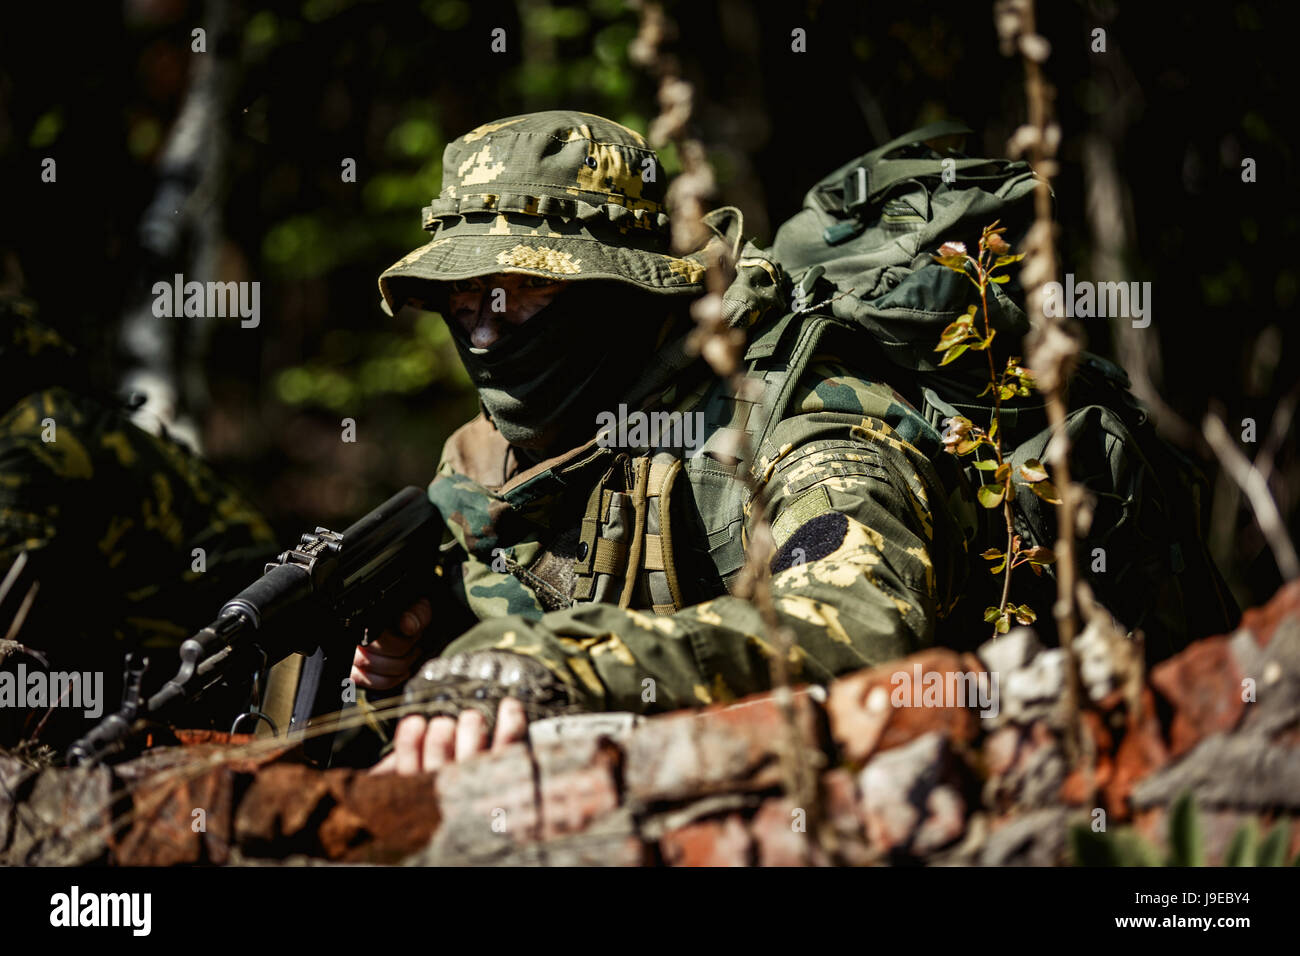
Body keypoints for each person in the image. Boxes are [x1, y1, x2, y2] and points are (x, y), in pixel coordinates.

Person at [361, 110, 972, 775]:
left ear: (623, 290)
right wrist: (413, 672)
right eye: (465, 294)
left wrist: (570, 664)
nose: (484, 333)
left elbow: (861, 623)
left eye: (527, 287)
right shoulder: (492, 462)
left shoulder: (794, 413)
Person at [0, 295, 277, 749]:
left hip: (225, 654)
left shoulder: (33, 436)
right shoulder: (43, 414)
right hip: (181, 635)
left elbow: (14, 613)